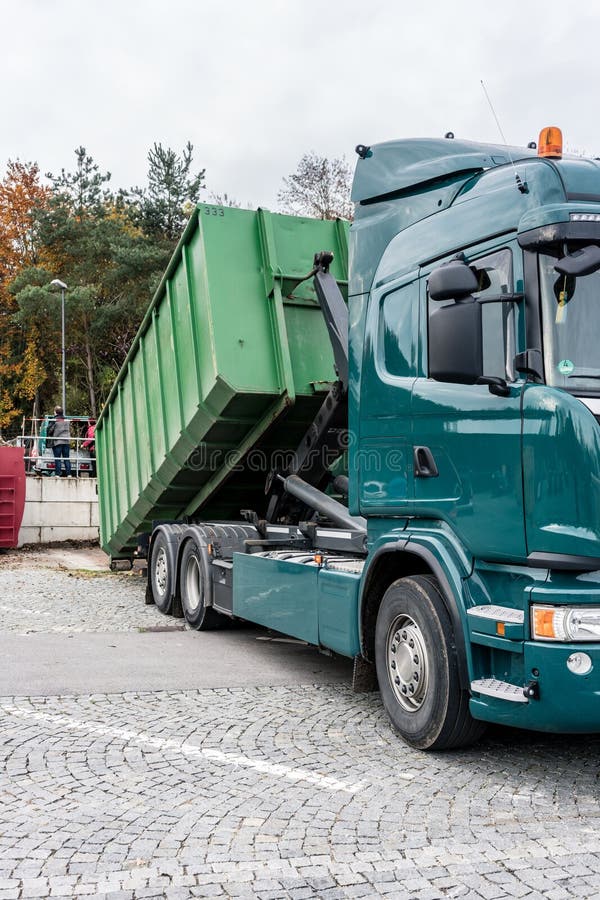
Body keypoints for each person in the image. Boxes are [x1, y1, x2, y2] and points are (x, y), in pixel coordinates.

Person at [49, 407, 71, 477]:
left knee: (57, 458)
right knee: (66, 458)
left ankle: (58, 474)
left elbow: (50, 430)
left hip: (57, 441)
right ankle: (69, 474)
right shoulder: (67, 420)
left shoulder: (54, 420)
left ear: (55, 412)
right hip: (66, 441)